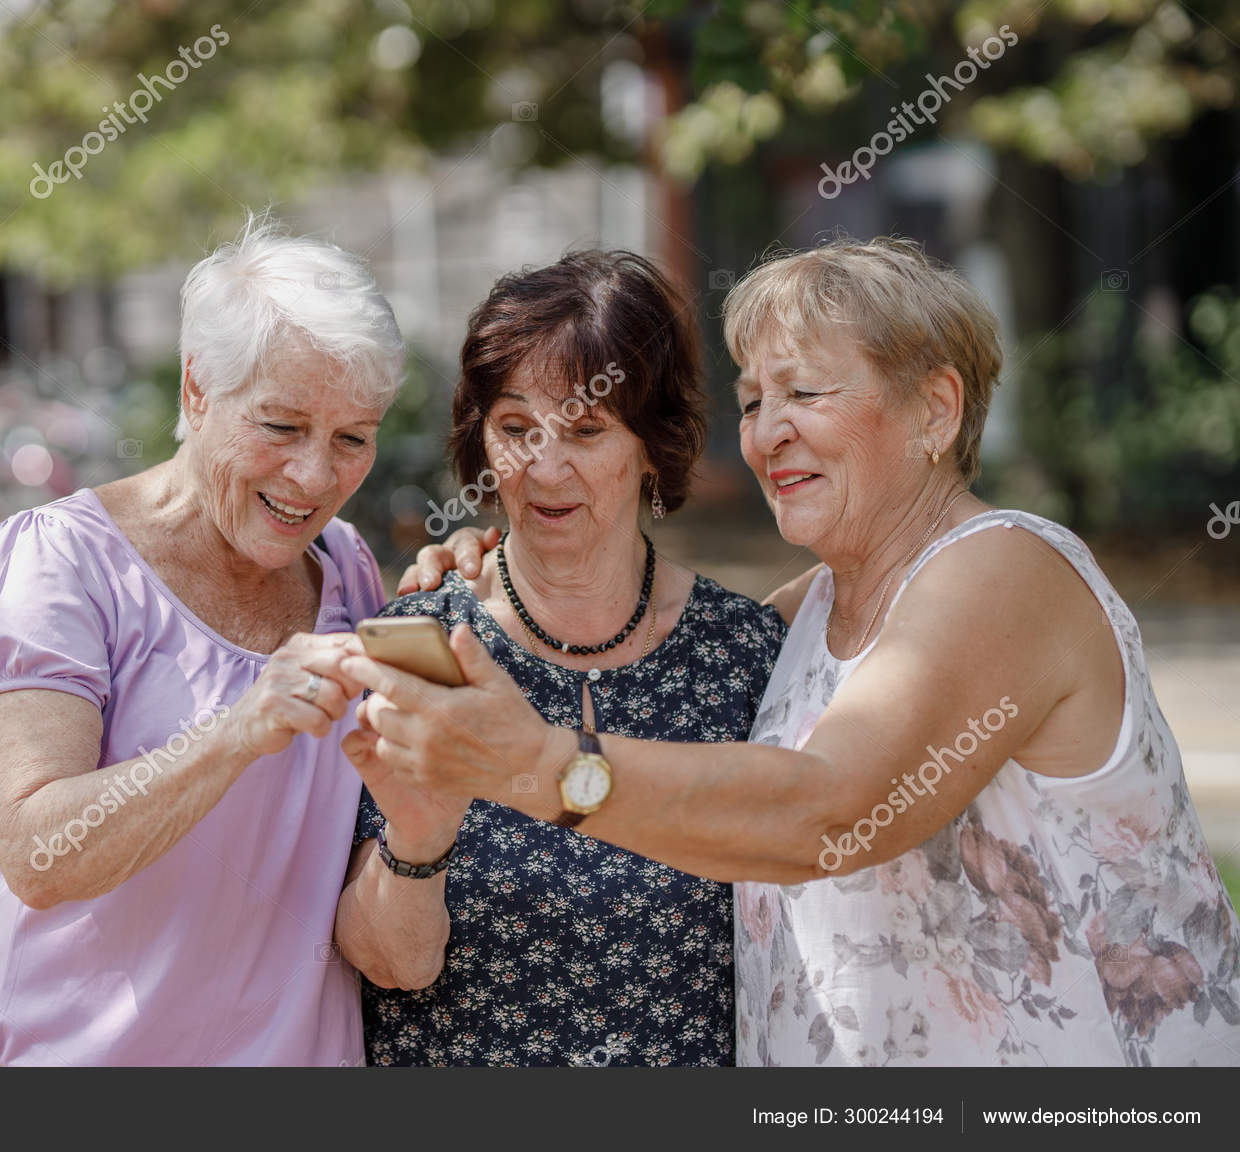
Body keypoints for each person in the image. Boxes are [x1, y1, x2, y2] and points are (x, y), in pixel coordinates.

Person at [346, 237, 1240, 1066]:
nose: (769, 430)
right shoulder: (798, 618)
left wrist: (539, 761)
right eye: (753, 400)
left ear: (935, 408)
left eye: (806, 392)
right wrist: (479, 559)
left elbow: (824, 811)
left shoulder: (1004, 570)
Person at [0, 216, 401, 1065]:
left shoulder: (347, 568)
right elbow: (39, 852)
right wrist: (235, 732)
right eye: (282, 425)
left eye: (352, 439)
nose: (315, 476)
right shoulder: (60, 561)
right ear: (196, 390)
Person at [332, 251, 785, 1066]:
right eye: (515, 429)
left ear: (654, 445)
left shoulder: (745, 655)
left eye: (584, 431)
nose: (543, 468)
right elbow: (390, 963)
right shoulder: (422, 643)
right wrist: (419, 838)